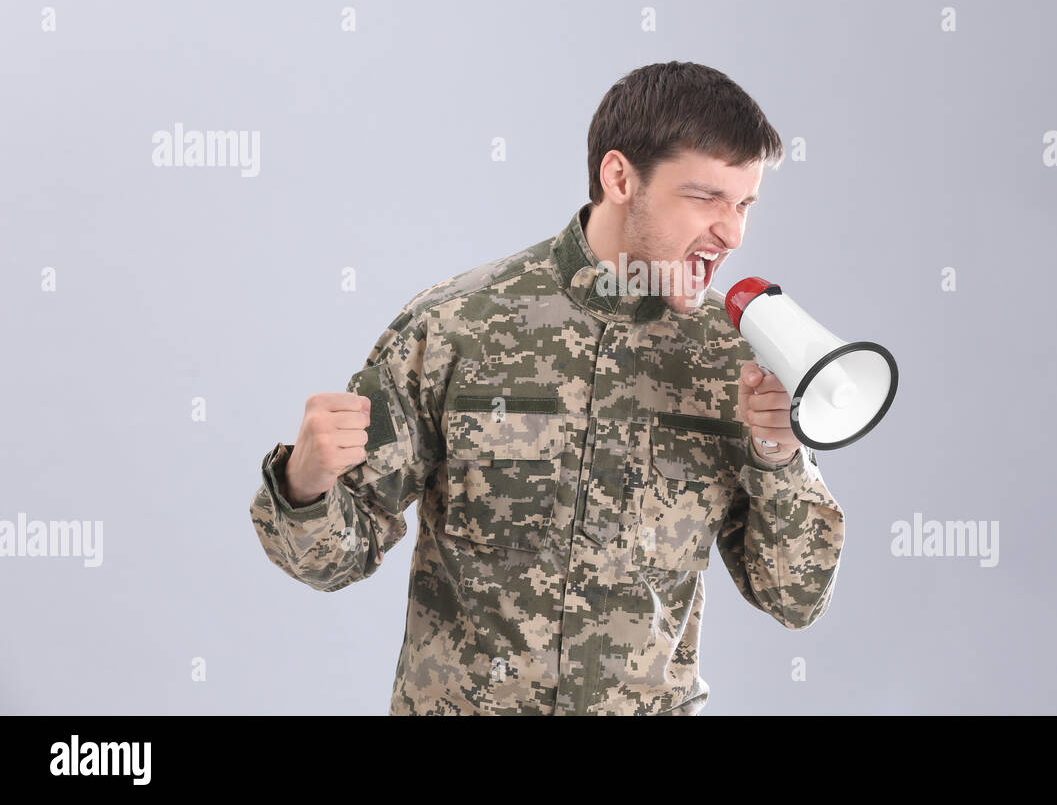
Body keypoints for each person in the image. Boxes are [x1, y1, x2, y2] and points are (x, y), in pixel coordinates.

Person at [248, 61, 845, 714]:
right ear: (620, 178)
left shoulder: (736, 360)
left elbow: (795, 598)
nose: (731, 233)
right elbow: (331, 560)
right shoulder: (456, 328)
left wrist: (780, 457)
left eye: (744, 205)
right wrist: (305, 485)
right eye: (705, 198)